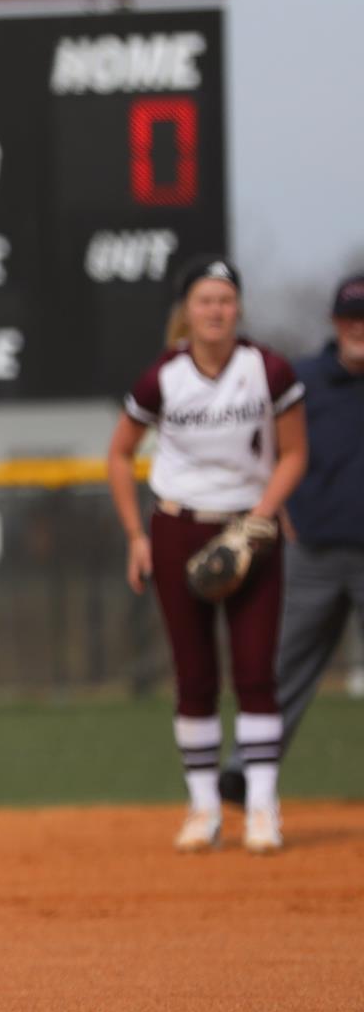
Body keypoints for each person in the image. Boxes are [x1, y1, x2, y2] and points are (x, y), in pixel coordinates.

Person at [106, 255, 307, 854]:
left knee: (256, 672)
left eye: (224, 299)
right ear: (186, 311)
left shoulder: (266, 369)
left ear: (238, 307)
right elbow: (119, 453)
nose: (215, 310)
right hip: (178, 527)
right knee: (193, 675)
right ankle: (202, 809)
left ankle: (263, 809)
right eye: (204, 300)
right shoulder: (164, 377)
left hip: (251, 524)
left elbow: (295, 452)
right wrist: (136, 537)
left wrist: (261, 519)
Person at [268, 274, 364, 778]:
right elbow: (263, 449)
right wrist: (278, 508)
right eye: (352, 317)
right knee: (283, 669)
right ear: (334, 321)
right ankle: (249, 771)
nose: (359, 327)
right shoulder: (300, 381)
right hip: (313, 554)